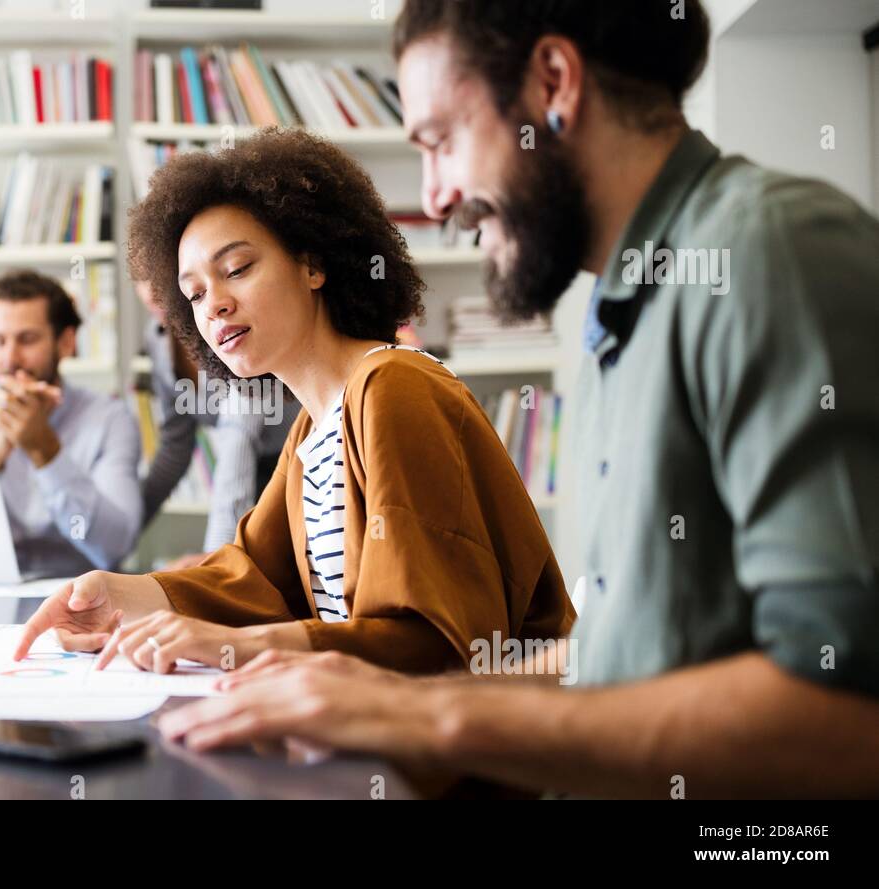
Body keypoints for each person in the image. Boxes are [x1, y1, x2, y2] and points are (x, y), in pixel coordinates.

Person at [157, 0, 879, 799]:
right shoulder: (623, 317)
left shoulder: (766, 253)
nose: (434, 198)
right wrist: (394, 700)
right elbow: (619, 654)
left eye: (440, 141)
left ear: (554, 85)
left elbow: (845, 705)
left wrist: (439, 722)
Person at [15, 128, 574, 674]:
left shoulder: (393, 387)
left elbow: (432, 641)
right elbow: (251, 576)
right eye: (195, 294)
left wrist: (236, 645)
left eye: (237, 269)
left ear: (312, 264)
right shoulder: (311, 429)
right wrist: (113, 594)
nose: (214, 307)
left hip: (487, 743)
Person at [0, 270, 142, 579]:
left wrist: (46, 450)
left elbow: (114, 547)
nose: (9, 359)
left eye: (27, 339)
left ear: (66, 343)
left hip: (82, 597)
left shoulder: (109, 420)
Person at [136, 279, 300, 565]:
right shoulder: (158, 338)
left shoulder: (231, 324)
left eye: (157, 278)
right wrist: (123, 525)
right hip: (243, 473)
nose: (150, 293)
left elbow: (239, 434)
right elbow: (176, 443)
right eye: (140, 281)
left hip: (291, 470)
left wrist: (216, 559)